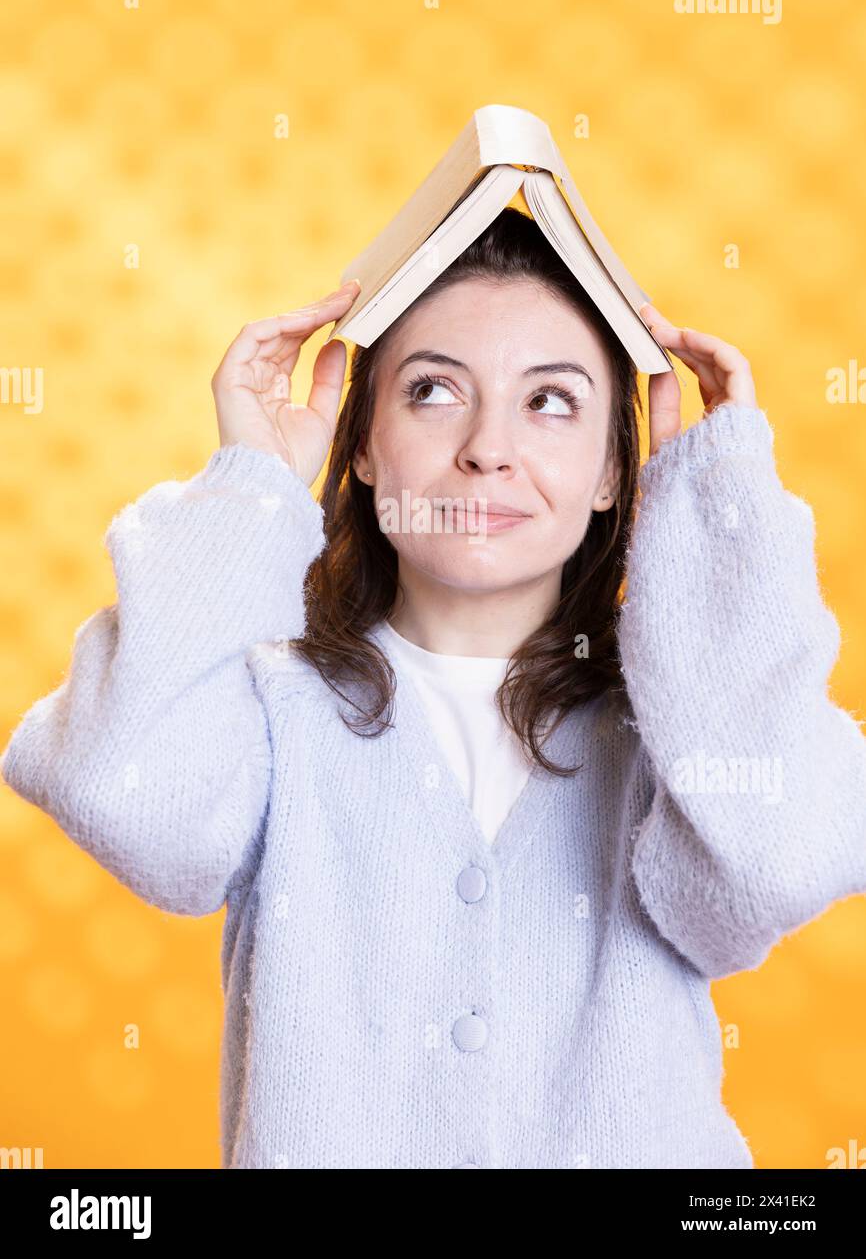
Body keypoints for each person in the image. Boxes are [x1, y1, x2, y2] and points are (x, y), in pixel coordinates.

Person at [3, 209, 865, 1170]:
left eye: (550, 402)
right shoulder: (266, 710)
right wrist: (250, 487)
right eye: (433, 390)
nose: (488, 449)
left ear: (615, 471)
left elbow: (770, 866)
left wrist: (721, 507)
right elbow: (126, 801)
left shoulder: (679, 738)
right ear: (363, 447)